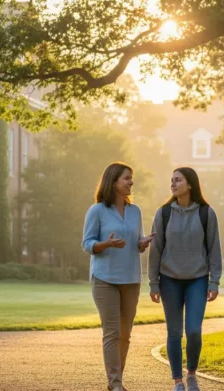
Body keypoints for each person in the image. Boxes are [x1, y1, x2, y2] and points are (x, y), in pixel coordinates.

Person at [148, 167, 223, 391]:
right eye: (171, 180)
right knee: (173, 332)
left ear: (190, 184)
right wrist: (153, 282)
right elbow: (156, 249)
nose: (173, 184)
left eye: (178, 180)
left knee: (193, 330)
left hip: (197, 279)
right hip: (169, 280)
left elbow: (214, 249)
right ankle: (178, 381)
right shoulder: (163, 213)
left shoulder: (206, 213)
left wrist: (214, 281)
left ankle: (191, 373)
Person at [82, 162, 154, 391]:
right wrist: (106, 244)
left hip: (131, 279)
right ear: (113, 182)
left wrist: (142, 244)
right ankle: (115, 385)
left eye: (131, 178)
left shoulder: (136, 211)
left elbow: (136, 243)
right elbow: (87, 244)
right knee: (112, 333)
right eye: (127, 178)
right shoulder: (97, 211)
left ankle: (116, 381)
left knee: (125, 335)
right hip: (105, 279)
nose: (131, 182)